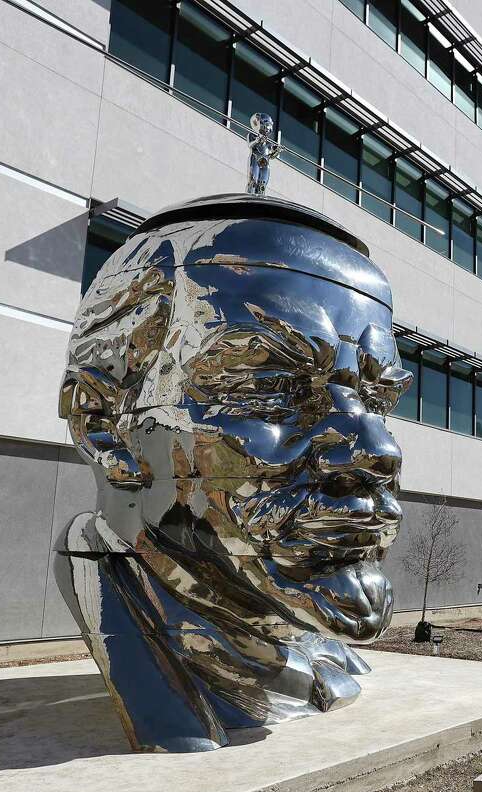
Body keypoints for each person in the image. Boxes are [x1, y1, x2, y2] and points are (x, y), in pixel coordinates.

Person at [58, 193, 410, 752]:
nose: (377, 450)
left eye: (378, 399)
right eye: (269, 385)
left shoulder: (309, 629)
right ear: (103, 427)